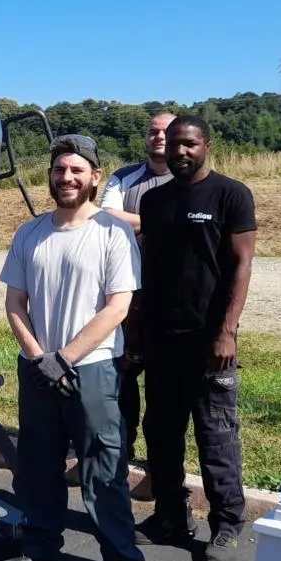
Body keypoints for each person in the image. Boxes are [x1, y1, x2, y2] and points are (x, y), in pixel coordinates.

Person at [0, 134, 145, 561]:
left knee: (103, 471)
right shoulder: (29, 233)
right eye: (60, 170)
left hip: (93, 371)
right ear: (51, 176)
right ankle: (39, 549)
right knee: (38, 466)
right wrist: (40, 356)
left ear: (95, 176)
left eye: (77, 170)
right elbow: (15, 302)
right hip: (37, 368)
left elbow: (119, 306)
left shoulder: (112, 233)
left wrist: (67, 357)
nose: (67, 178)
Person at [134, 115, 257, 561]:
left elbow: (242, 265)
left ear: (205, 144)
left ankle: (226, 525)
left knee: (216, 437)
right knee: (161, 433)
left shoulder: (231, 194)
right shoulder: (154, 200)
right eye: (172, 145)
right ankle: (170, 515)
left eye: (189, 144)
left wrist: (227, 330)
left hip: (209, 342)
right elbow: (148, 266)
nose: (179, 152)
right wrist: (137, 329)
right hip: (162, 338)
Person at [100, 111, 176, 464]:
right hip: (126, 292)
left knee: (164, 386)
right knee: (122, 375)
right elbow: (105, 216)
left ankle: (160, 467)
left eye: (166, 131)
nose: (158, 137)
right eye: (153, 131)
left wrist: (140, 225)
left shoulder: (189, 178)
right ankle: (120, 452)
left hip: (171, 297)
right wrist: (165, 223)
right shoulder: (123, 178)